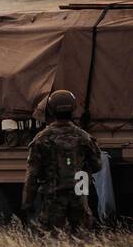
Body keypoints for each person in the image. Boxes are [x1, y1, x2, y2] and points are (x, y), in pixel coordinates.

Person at [22, 89, 103, 237]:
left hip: (52, 198)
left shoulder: (41, 139)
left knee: (51, 243)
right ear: (72, 109)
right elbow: (98, 165)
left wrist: (27, 202)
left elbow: (32, 176)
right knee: (82, 242)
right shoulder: (84, 137)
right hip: (80, 196)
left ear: (51, 110)